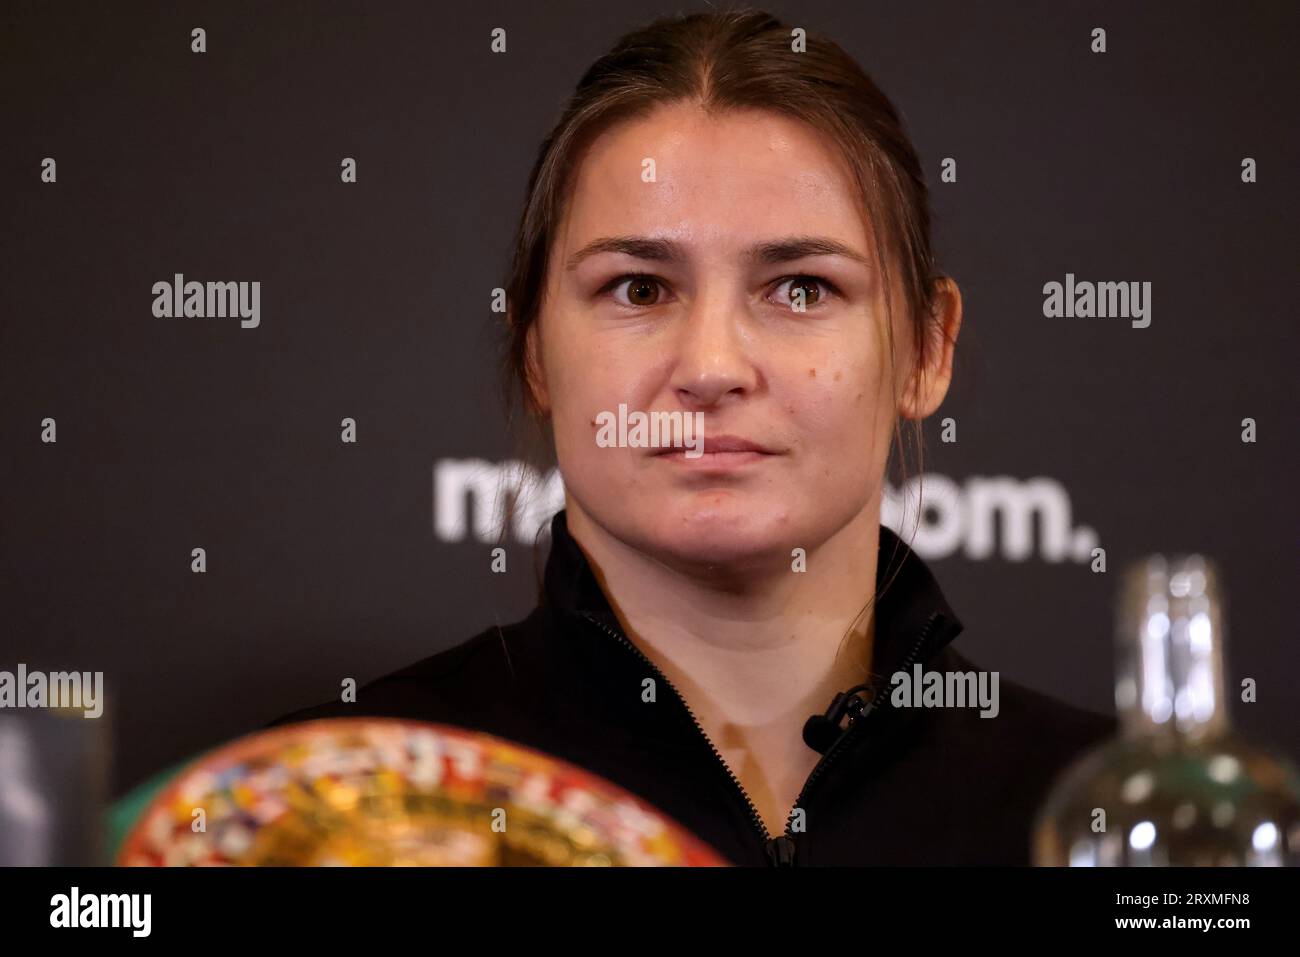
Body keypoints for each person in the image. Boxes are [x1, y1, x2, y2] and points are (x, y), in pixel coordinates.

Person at [272, 8, 1114, 866]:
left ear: (926, 351)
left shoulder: (1122, 826)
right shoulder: (325, 814)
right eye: (639, 289)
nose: (711, 367)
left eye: (801, 289)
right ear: (533, 351)